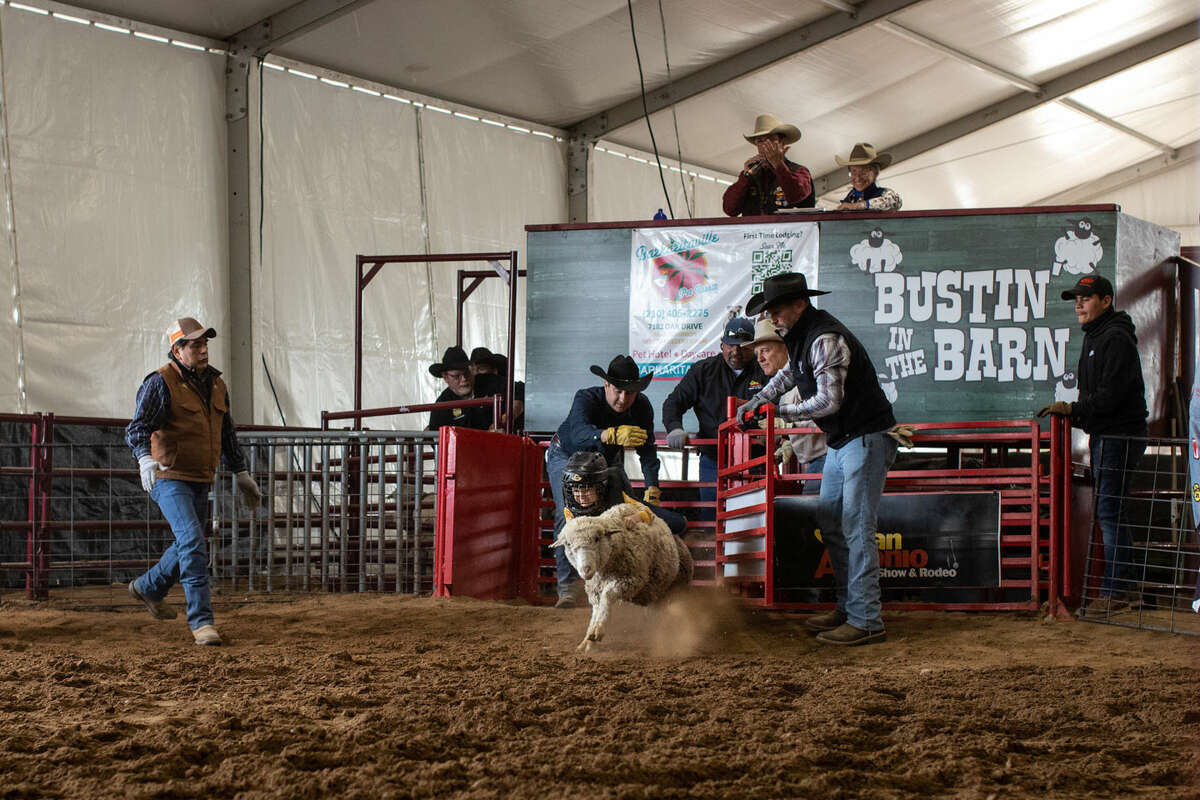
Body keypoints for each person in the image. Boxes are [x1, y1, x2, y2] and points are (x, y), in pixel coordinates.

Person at [737, 274, 897, 646]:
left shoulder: (825, 337)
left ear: (798, 304)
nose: (772, 319)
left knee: (855, 526)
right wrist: (759, 401)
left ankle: (867, 620)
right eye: (769, 312)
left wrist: (778, 411)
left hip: (865, 436)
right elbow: (790, 375)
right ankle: (849, 608)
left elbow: (829, 401)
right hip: (845, 440)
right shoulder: (804, 336)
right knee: (833, 523)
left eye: (776, 311)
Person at [124, 317, 262, 646]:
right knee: (192, 542)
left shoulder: (215, 384)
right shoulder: (160, 382)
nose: (203, 350)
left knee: (190, 542)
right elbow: (137, 428)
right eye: (195, 345)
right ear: (178, 349)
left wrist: (241, 472)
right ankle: (201, 622)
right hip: (169, 476)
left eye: (205, 344)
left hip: (200, 475)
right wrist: (144, 458)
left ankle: (147, 587)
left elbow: (227, 433)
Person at [1039, 275, 1148, 616]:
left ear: (1106, 300)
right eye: (1076, 299)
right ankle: (1126, 588)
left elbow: (1110, 397)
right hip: (1113, 433)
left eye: (1086, 298)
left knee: (1109, 513)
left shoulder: (1112, 339)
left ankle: (1115, 591)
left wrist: (1073, 409)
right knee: (1113, 512)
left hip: (1117, 434)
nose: (1079, 304)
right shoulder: (1101, 337)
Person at [547, 355, 664, 607]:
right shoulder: (586, 398)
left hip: (605, 462)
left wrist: (652, 485)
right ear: (606, 385)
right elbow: (578, 433)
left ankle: (615, 584)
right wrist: (607, 434)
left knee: (617, 515)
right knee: (567, 512)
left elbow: (648, 449)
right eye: (619, 391)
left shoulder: (641, 407)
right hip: (567, 456)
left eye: (630, 393)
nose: (624, 399)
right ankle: (567, 589)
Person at [662, 317, 765, 519]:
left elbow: (781, 407)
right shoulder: (703, 371)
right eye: (730, 346)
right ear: (721, 344)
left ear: (753, 346)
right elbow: (673, 403)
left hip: (756, 458)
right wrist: (674, 427)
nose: (735, 352)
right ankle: (712, 552)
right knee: (712, 517)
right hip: (713, 459)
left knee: (754, 518)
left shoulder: (766, 371)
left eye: (743, 347)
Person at [749, 318, 826, 494]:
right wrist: (789, 441)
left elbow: (826, 412)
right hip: (821, 459)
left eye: (765, 351)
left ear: (786, 348)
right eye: (757, 353)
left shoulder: (806, 376)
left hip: (827, 458)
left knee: (815, 511)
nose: (760, 358)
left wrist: (787, 426)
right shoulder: (789, 383)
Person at [560, 451, 684, 537]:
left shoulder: (616, 495)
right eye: (576, 491)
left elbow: (648, 513)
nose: (581, 496)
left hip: (627, 504)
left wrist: (637, 517)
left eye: (586, 490)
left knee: (677, 524)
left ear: (600, 487)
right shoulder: (571, 508)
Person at [722, 114, 814, 216]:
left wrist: (778, 165)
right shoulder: (751, 173)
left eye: (769, 140)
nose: (765, 146)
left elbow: (796, 195)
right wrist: (744, 177)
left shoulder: (799, 171)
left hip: (789, 232)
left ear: (782, 143)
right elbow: (729, 209)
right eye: (760, 141)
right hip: (753, 232)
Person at [427, 346, 503, 431]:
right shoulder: (441, 406)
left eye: (467, 373)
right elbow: (436, 438)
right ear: (445, 377)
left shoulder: (488, 381)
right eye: (457, 376)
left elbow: (518, 390)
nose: (464, 379)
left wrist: (503, 420)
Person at [833, 143, 902, 212]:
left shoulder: (883, 193)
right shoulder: (850, 197)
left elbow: (895, 202)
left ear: (875, 173)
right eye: (853, 172)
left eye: (863, 173)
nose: (858, 178)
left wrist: (859, 205)